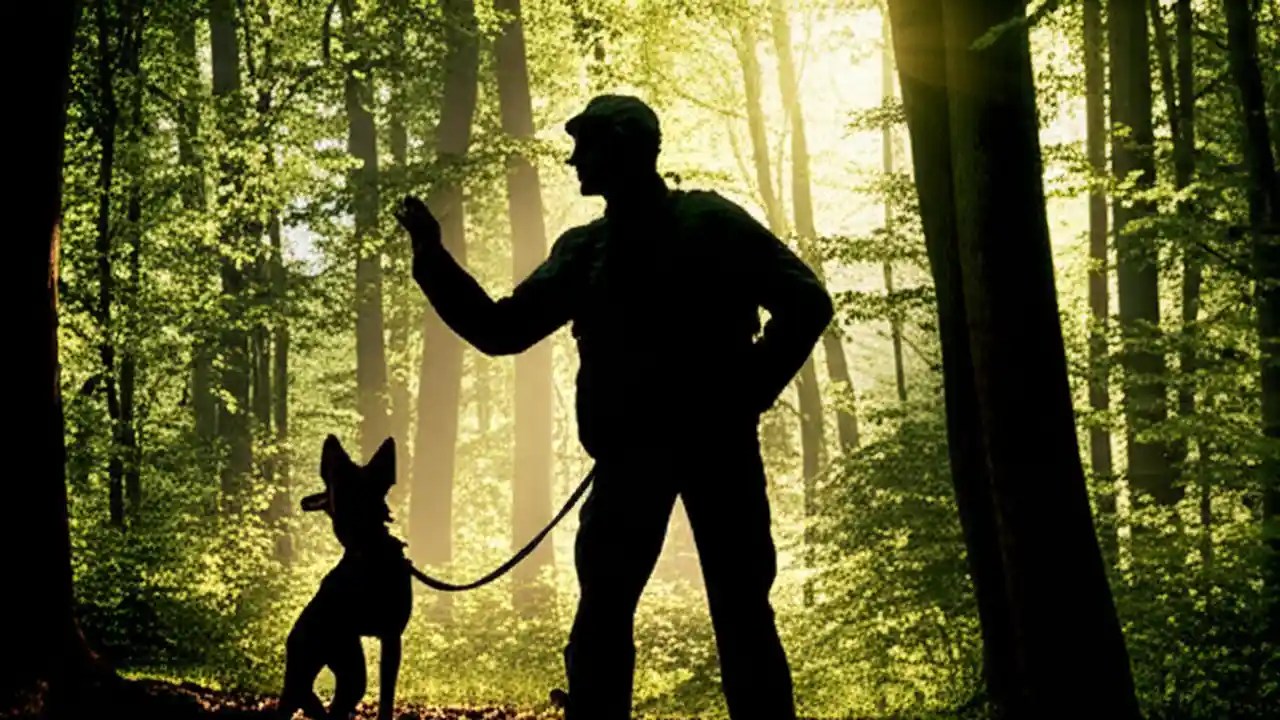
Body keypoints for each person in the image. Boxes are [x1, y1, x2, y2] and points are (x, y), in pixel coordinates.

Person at [395, 94, 833, 720]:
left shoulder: (706, 225)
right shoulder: (594, 248)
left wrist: (746, 391)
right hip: (654, 459)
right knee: (625, 615)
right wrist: (431, 260)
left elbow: (807, 304)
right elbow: (501, 330)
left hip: (703, 454)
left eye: (587, 143)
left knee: (723, 614)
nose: (573, 159)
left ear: (624, 147)